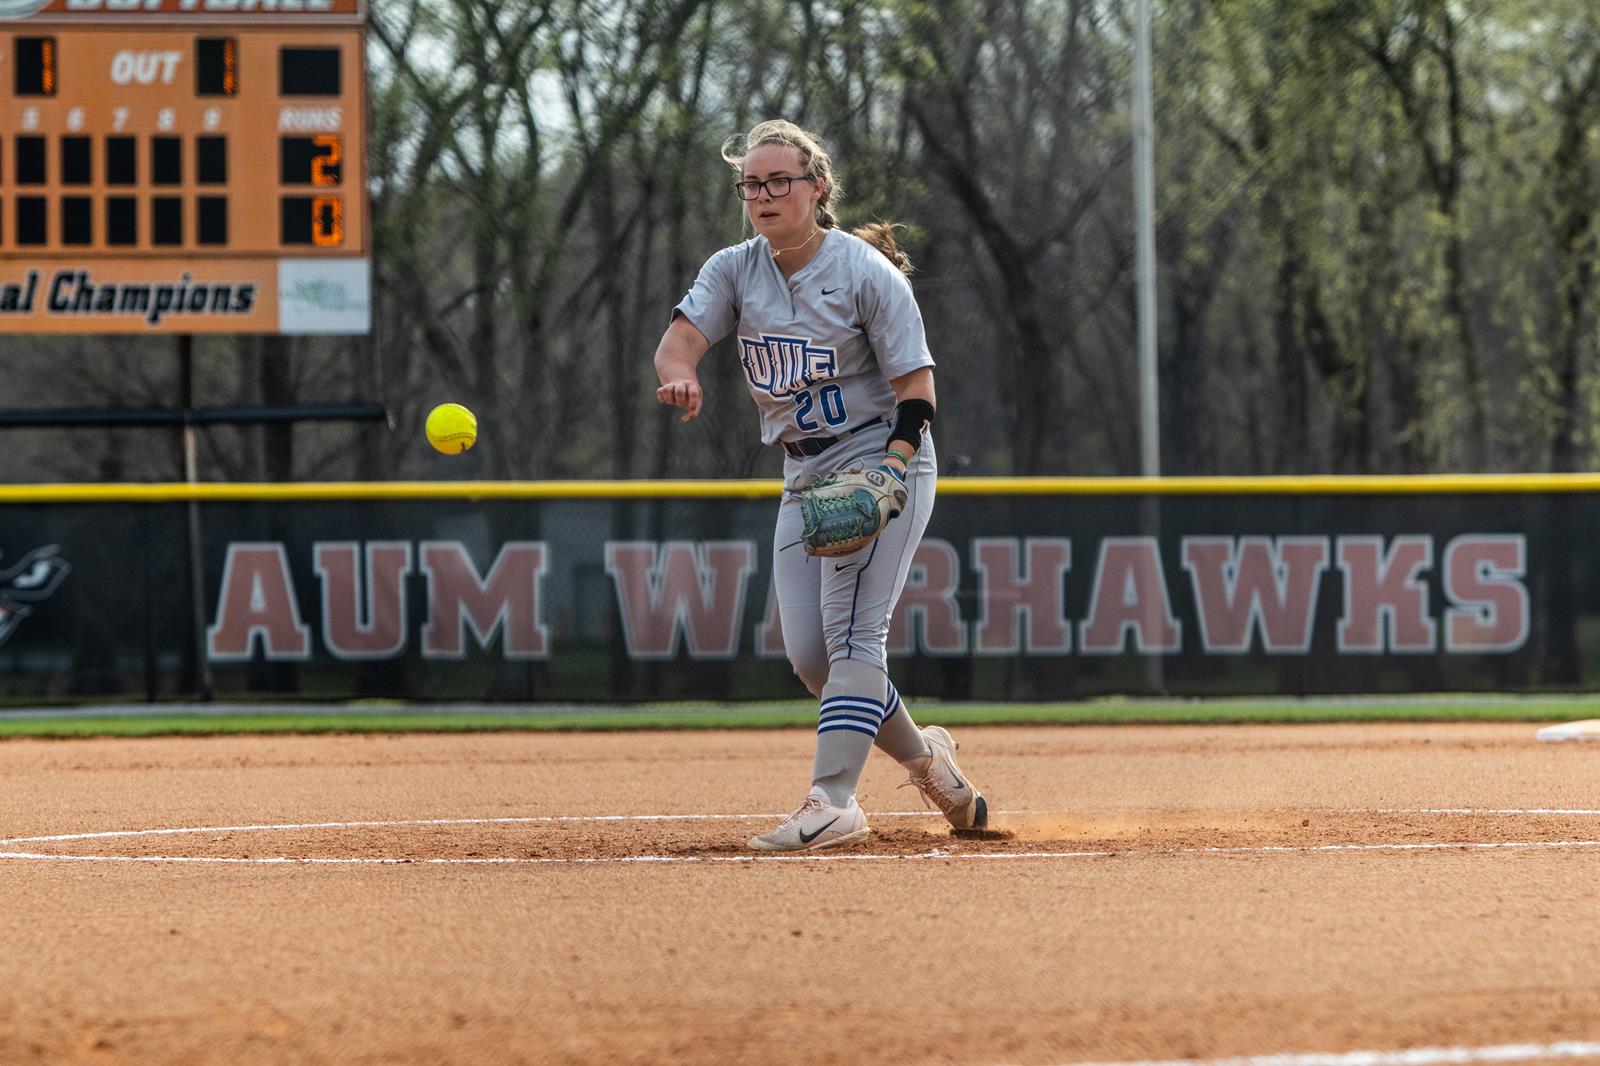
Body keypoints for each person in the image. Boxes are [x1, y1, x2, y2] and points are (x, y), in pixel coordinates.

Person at [652, 119, 988, 852]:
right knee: (811, 657)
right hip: (805, 471)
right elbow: (680, 341)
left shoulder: (868, 274)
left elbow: (918, 390)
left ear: (817, 189)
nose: (765, 195)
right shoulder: (736, 269)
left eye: (781, 181)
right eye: (753, 183)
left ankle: (832, 800)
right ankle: (934, 768)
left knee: (854, 635)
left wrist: (893, 469)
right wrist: (678, 373)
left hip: (882, 458)